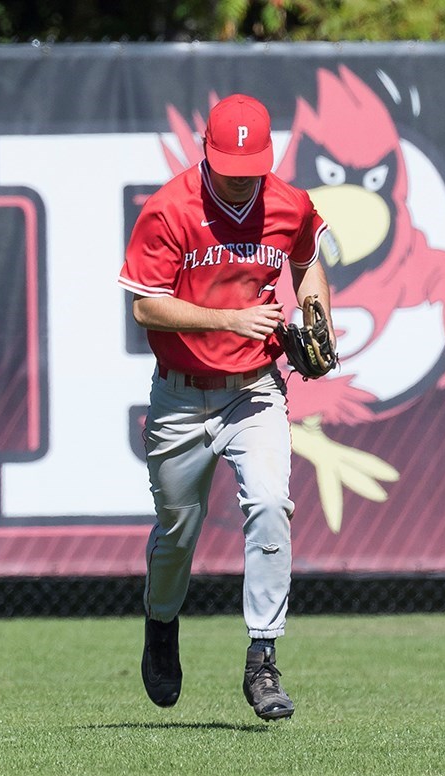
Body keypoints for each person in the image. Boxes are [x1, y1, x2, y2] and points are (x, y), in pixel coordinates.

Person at [117, 94, 333, 720]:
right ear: (206, 152)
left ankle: (262, 658)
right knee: (176, 534)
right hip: (181, 395)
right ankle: (161, 625)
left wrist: (317, 314)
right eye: (230, 162)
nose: (241, 175)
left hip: (255, 391)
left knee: (270, 504)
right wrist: (231, 318)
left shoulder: (287, 204)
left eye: (252, 164)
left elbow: (308, 257)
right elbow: (146, 306)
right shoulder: (169, 209)